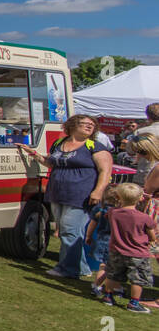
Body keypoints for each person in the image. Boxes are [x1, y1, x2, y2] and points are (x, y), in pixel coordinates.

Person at [16, 114, 113, 280]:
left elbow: (106, 171)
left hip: (81, 195)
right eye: (85, 123)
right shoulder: (60, 143)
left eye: (92, 125)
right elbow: (52, 163)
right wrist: (33, 154)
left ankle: (67, 269)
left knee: (70, 231)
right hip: (57, 192)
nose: (89, 126)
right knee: (67, 232)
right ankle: (81, 268)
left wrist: (98, 191)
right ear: (73, 125)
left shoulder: (95, 146)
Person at [100, 182, 157, 314]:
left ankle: (108, 296)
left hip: (116, 250)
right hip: (138, 253)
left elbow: (108, 214)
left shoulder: (113, 213)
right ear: (140, 199)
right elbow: (152, 235)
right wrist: (152, 240)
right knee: (137, 279)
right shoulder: (144, 218)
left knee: (112, 274)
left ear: (118, 197)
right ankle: (134, 303)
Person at [84, 184, 118, 297]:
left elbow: (91, 225)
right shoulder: (119, 212)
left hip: (100, 239)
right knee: (108, 266)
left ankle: (114, 286)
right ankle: (97, 285)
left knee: (105, 265)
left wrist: (88, 236)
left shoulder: (99, 209)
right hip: (113, 242)